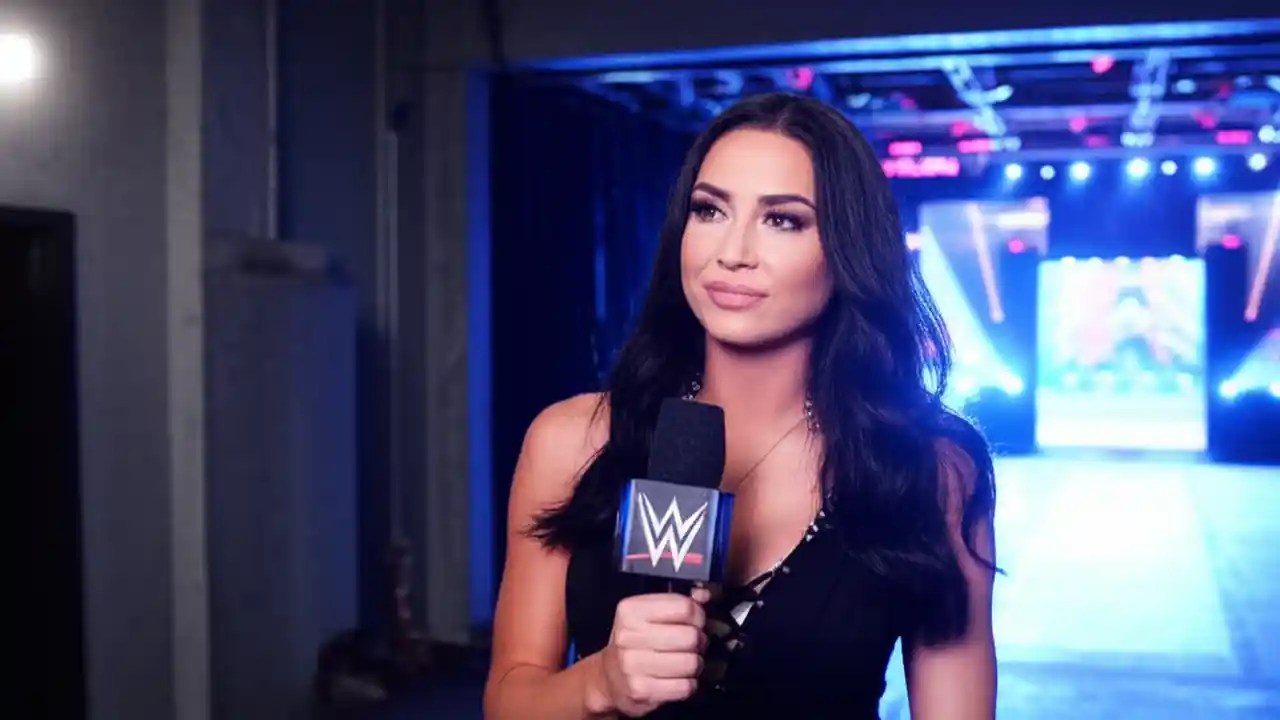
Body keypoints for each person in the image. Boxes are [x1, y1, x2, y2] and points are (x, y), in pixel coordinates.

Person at [484, 92, 997, 719]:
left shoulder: (933, 470)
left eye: (783, 220)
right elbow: (509, 701)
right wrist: (601, 683)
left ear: (848, 250)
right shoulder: (573, 441)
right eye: (709, 210)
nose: (732, 252)